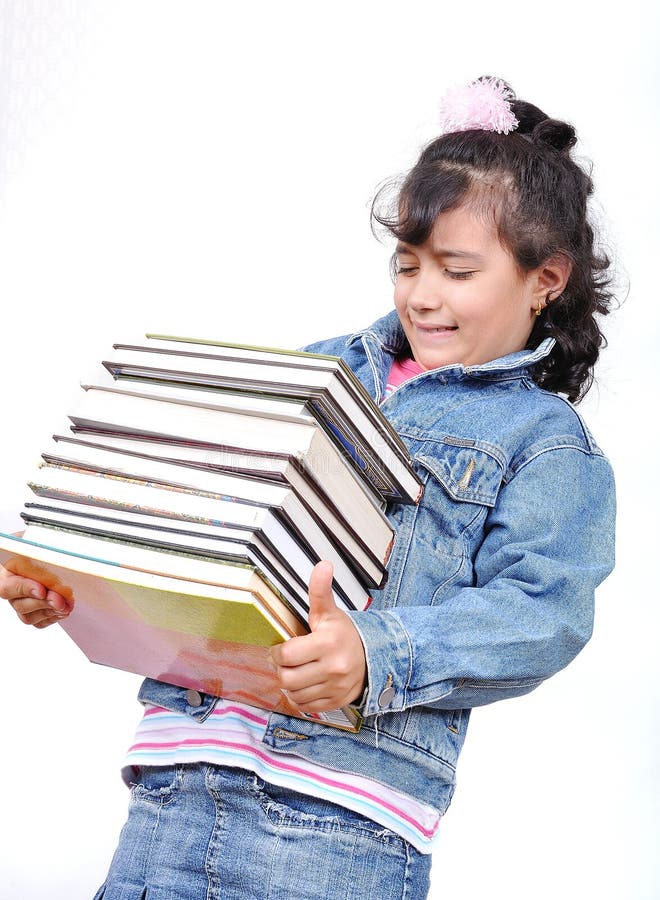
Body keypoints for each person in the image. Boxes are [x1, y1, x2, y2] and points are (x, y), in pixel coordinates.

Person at [1, 76, 616, 899]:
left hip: (332, 828)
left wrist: (375, 648)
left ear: (546, 277)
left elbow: (544, 614)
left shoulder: (544, 446)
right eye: (407, 265)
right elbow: (208, 526)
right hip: (171, 786)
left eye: (458, 272)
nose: (422, 295)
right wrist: (82, 582)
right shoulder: (314, 370)